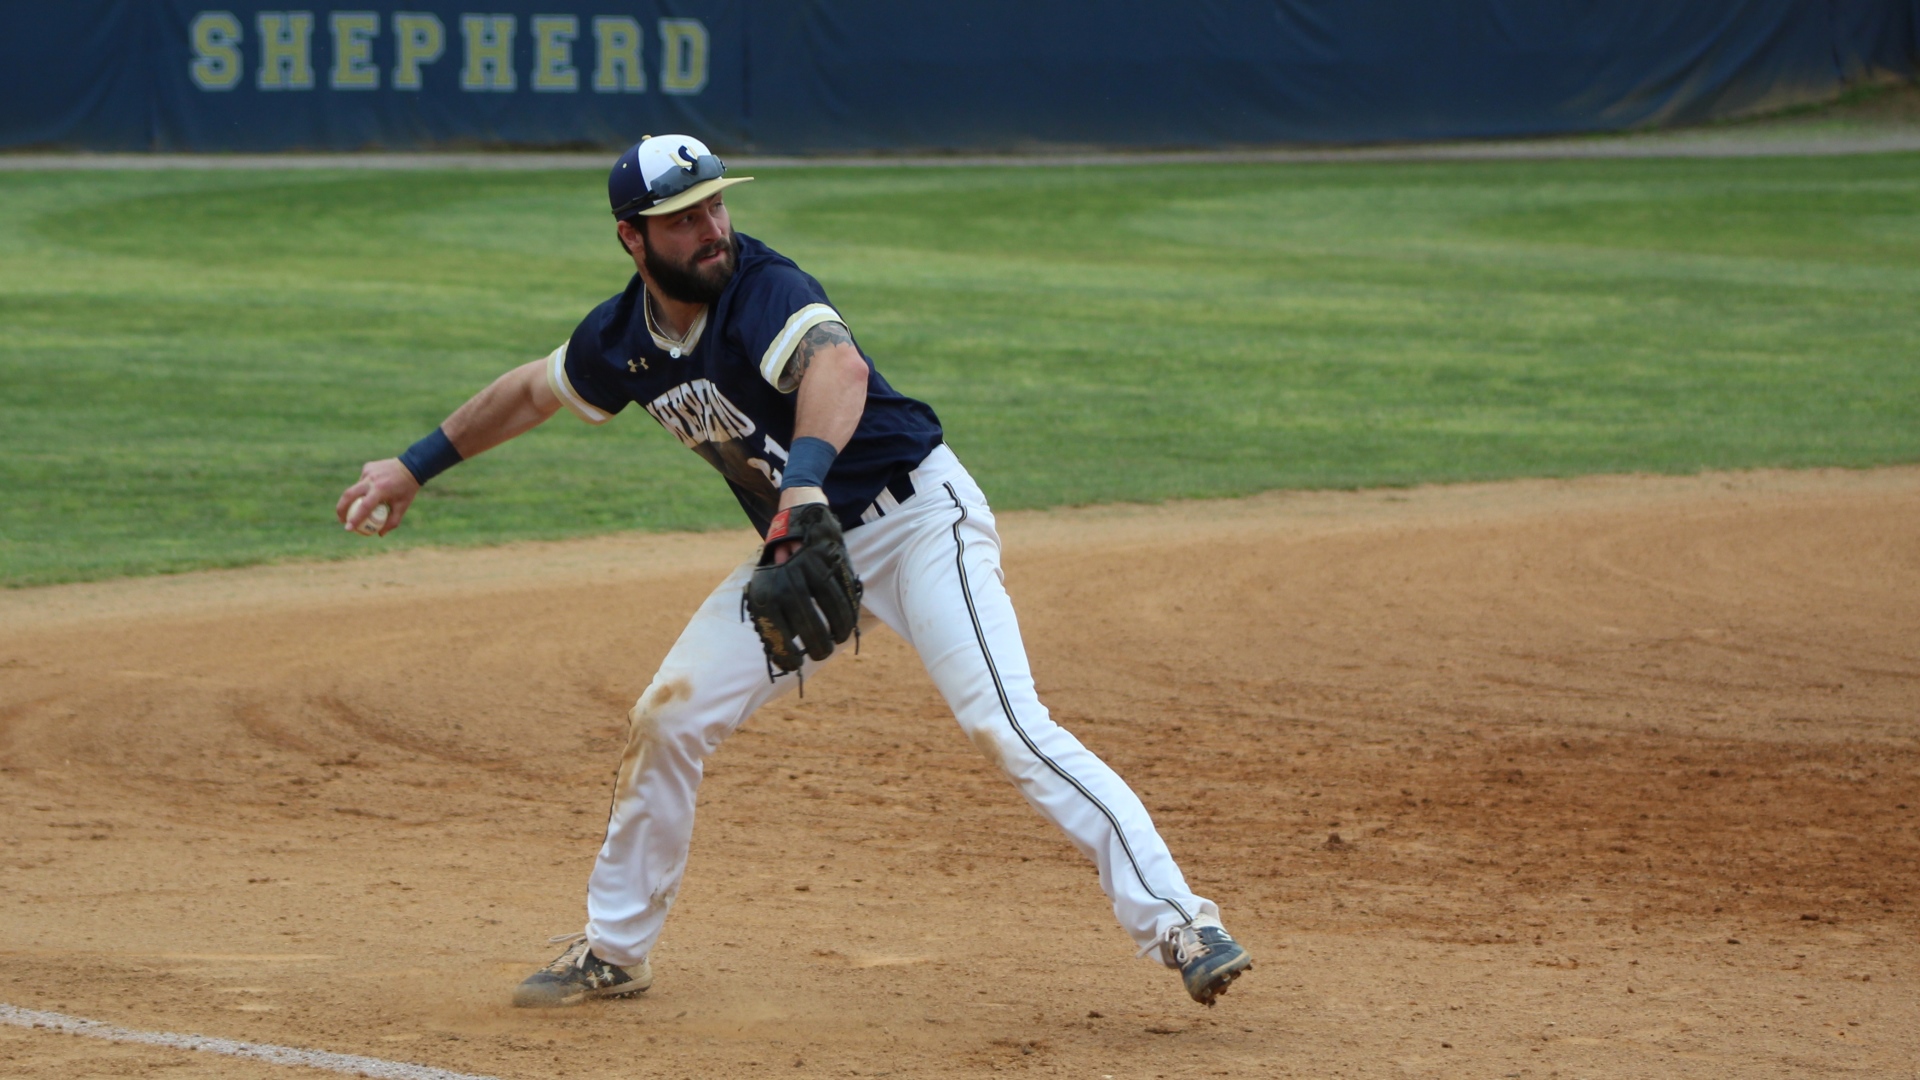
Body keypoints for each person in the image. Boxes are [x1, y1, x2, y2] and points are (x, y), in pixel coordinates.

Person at [336, 135, 1252, 1009]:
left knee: (1005, 722)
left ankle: (1181, 924)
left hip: (920, 519)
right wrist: (414, 465)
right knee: (669, 715)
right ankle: (614, 953)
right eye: (684, 217)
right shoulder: (624, 339)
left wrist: (804, 485)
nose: (712, 229)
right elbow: (533, 389)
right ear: (633, 237)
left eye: (716, 206)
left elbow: (837, 367)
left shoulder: (766, 288)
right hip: (803, 546)